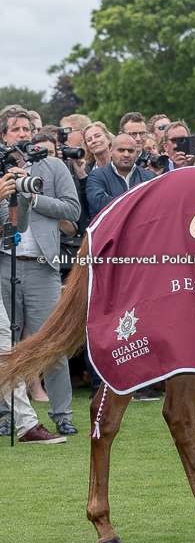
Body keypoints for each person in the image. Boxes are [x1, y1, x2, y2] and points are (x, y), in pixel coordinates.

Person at [0, 109, 82, 435]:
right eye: (15, 129)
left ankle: (62, 414)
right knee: (5, 345)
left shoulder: (53, 166)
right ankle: (7, 415)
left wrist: (34, 197)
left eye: (27, 128)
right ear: (4, 135)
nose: (22, 133)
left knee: (53, 343)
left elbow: (72, 210)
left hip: (42, 266)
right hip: (5, 263)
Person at [86, 134, 156, 214]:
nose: (126, 155)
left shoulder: (149, 177)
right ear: (111, 151)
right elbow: (99, 203)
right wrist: (137, 204)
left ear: (136, 154)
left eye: (130, 151)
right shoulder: (97, 176)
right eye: (121, 150)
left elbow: (154, 205)